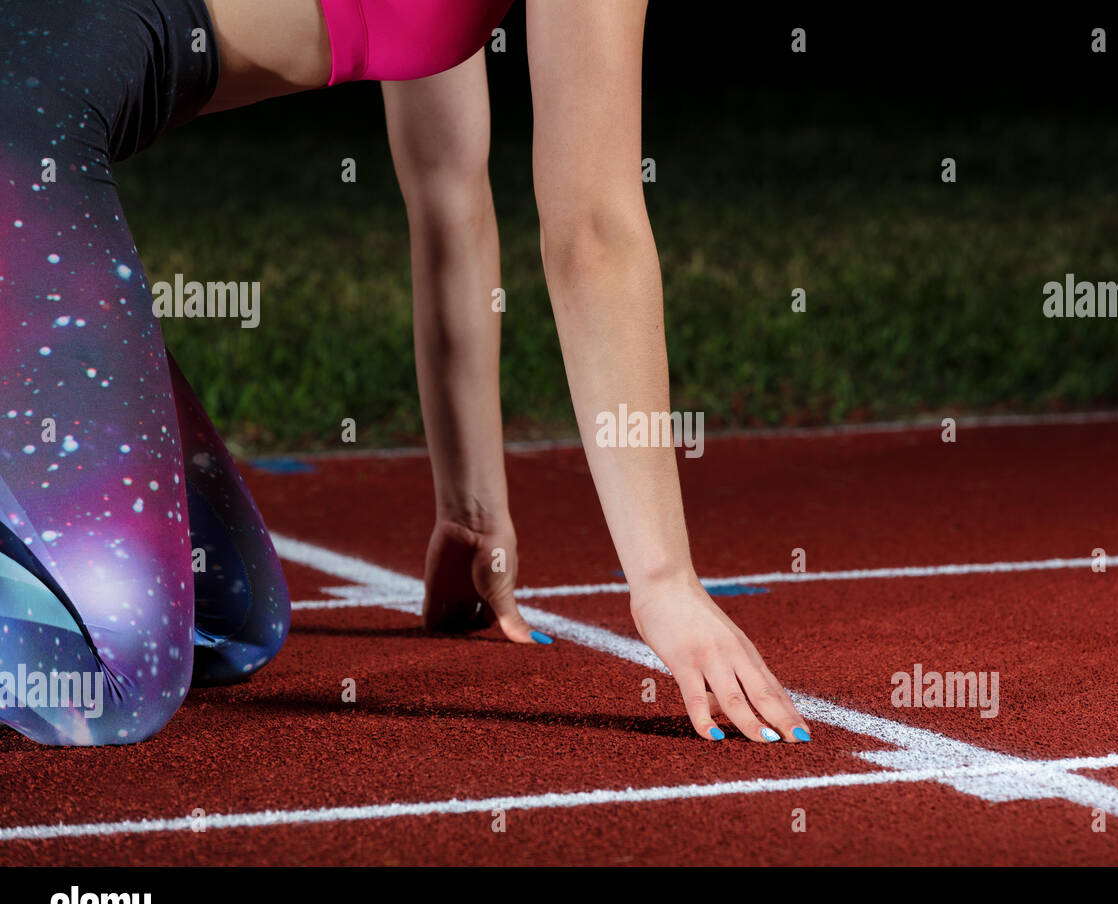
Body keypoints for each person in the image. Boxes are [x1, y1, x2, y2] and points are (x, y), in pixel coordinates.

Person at [0, 0, 811, 746]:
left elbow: (450, 202)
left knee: (231, 620)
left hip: (38, 117)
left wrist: (472, 510)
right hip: (21, 123)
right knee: (106, 687)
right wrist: (664, 582)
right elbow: (591, 235)